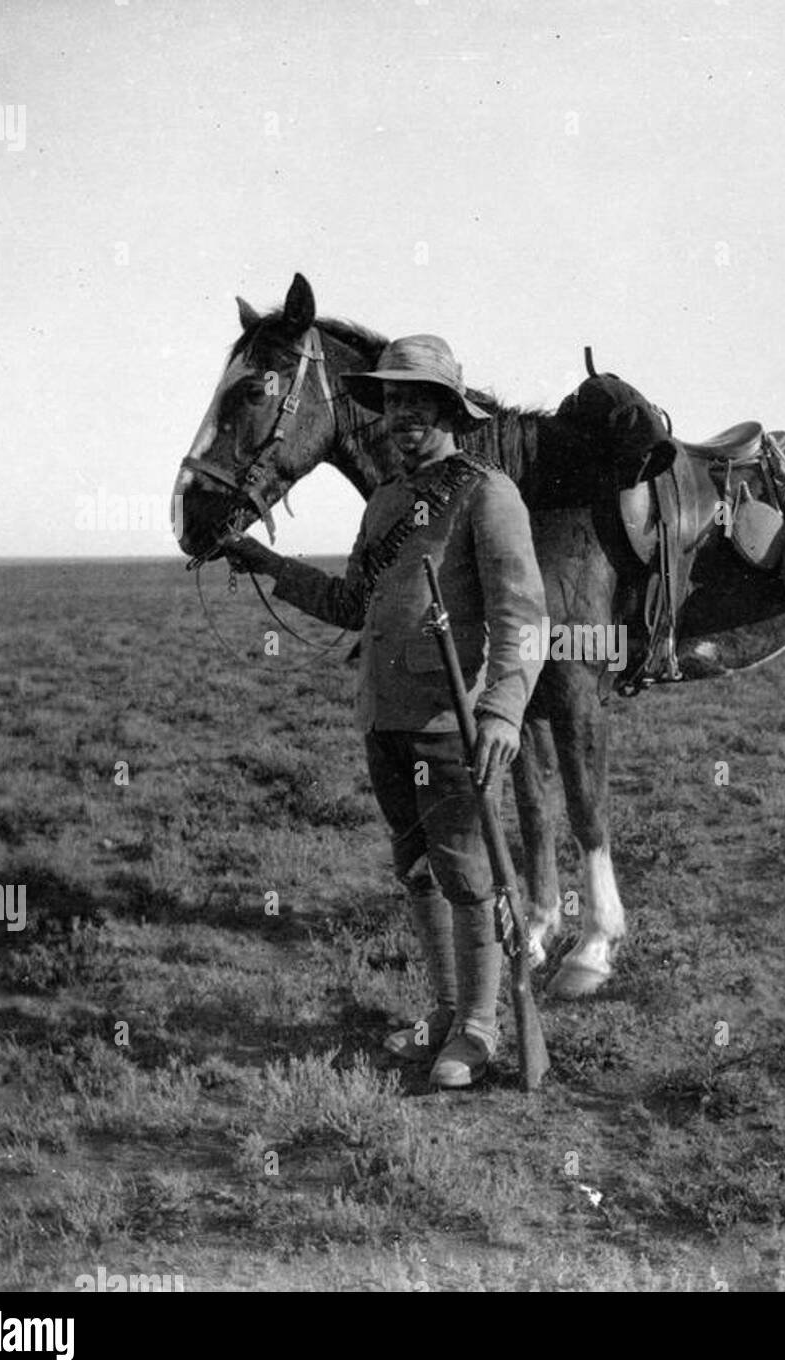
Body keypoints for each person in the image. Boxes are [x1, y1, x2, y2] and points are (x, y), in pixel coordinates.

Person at [223, 335, 547, 1088]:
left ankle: (478, 1028)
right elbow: (348, 602)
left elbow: (525, 616)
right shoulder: (386, 506)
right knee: (417, 870)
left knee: (468, 876)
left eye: (419, 402)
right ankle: (442, 1010)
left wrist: (501, 710)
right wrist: (266, 562)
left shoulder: (487, 493)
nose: (403, 416)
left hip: (451, 725)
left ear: (448, 411)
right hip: (387, 722)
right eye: (394, 402)